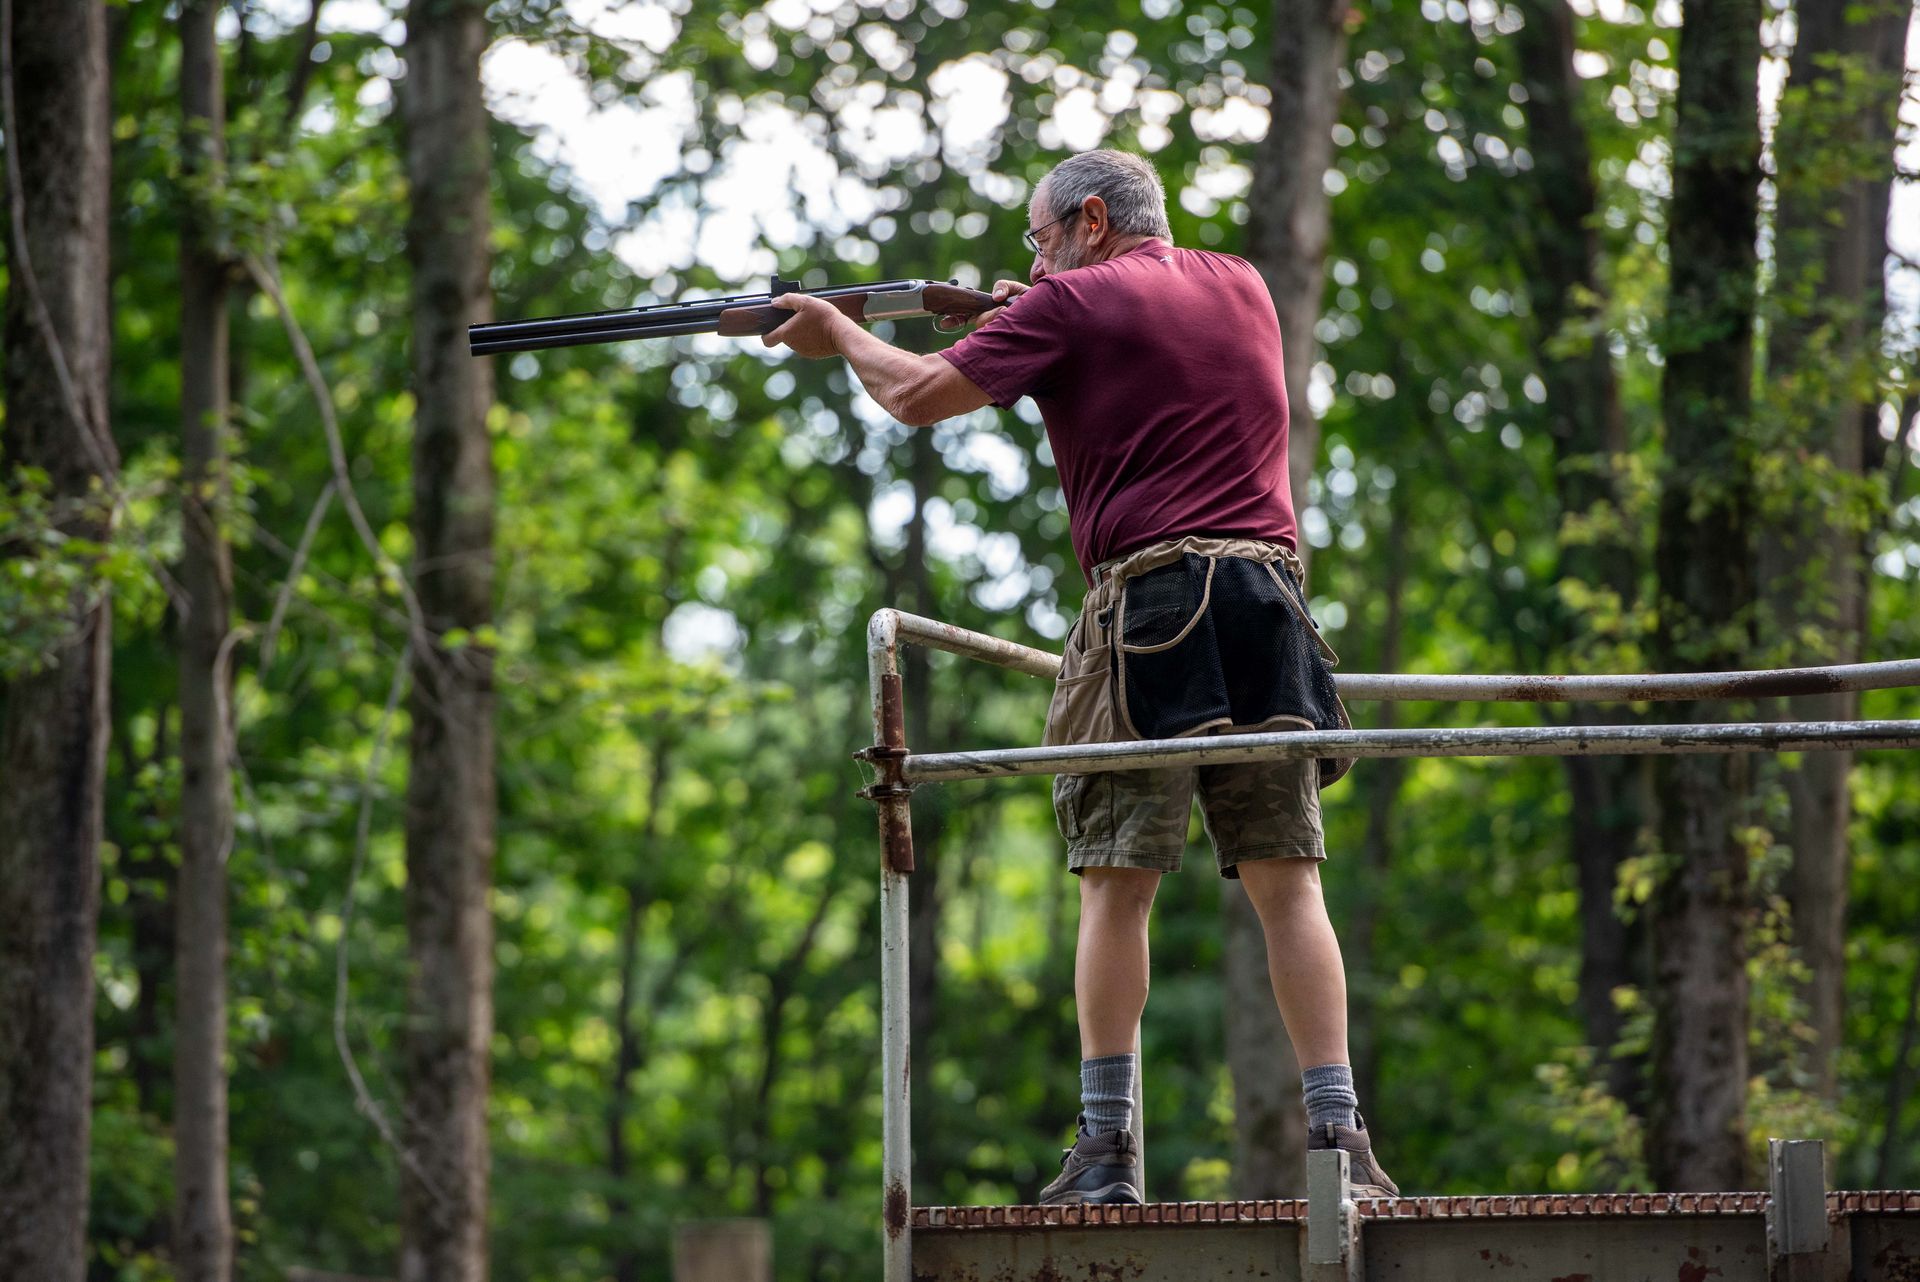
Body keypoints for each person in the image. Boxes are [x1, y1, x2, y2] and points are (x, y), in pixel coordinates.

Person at [763, 148, 1397, 1205]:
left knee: (1117, 881)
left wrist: (836, 331)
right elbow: (1135, 348)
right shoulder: (1241, 281)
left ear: (1090, 219)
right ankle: (1344, 1141)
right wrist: (1034, 307)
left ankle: (1106, 1153)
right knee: (1291, 886)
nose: (1036, 259)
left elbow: (917, 396)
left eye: (1041, 237)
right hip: (1271, 605)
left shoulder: (1071, 306)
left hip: (1149, 604)